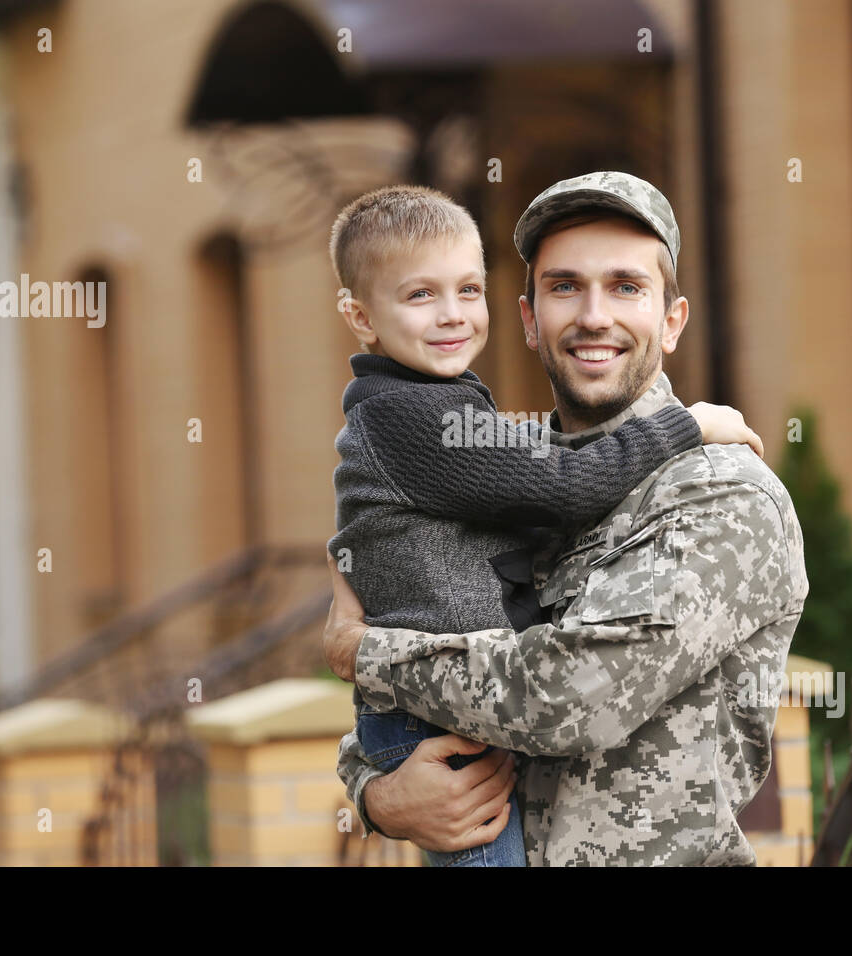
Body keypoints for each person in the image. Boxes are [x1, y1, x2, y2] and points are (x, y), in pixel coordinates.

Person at [326, 171, 809, 866]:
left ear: (671, 322)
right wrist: (378, 796)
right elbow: (428, 677)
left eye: (627, 287)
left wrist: (363, 652)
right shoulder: (508, 482)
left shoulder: (719, 494)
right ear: (528, 318)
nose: (593, 315)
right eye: (564, 287)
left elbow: (566, 698)